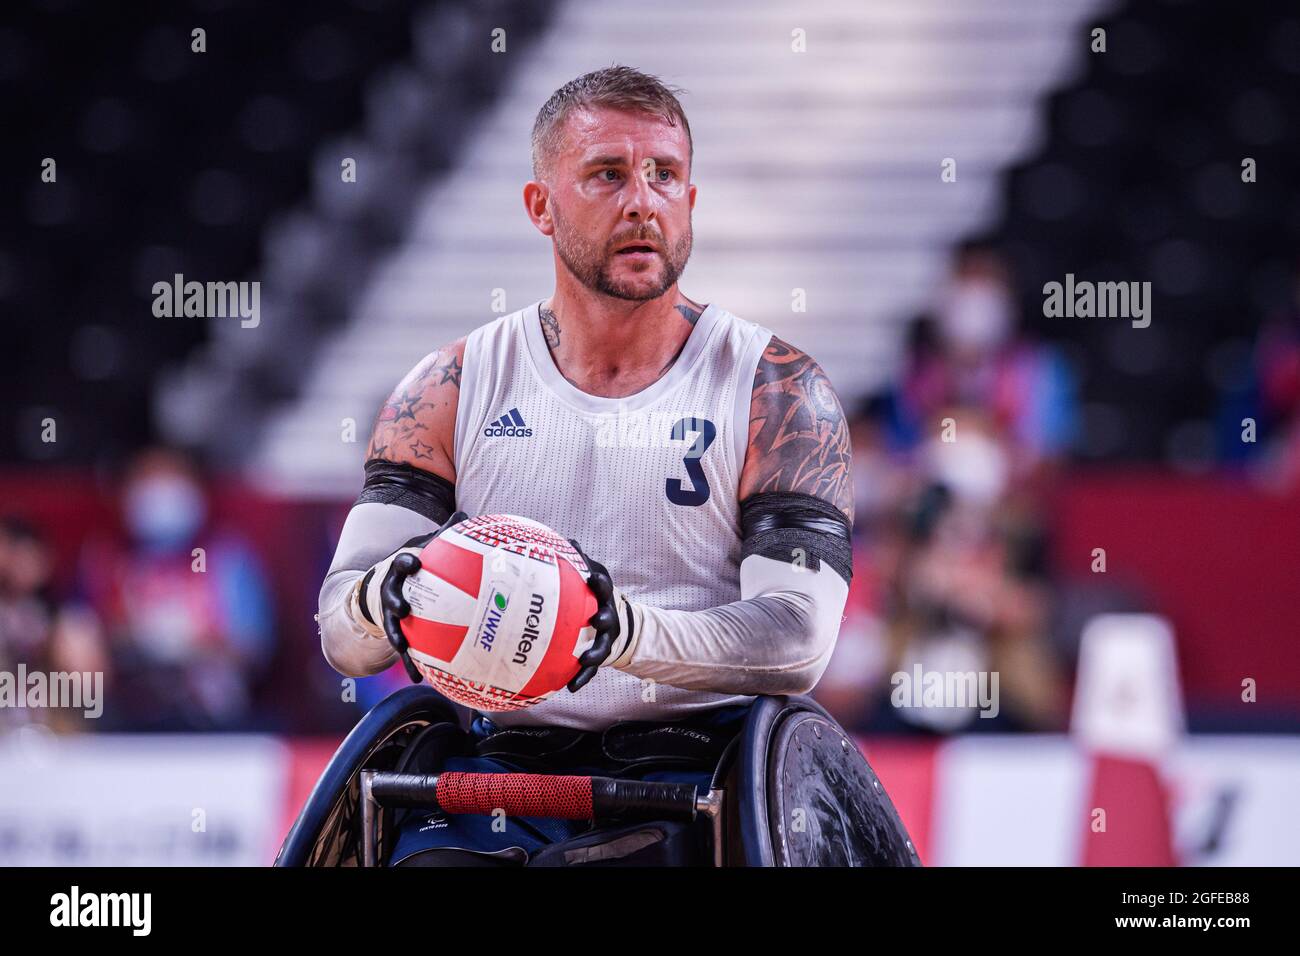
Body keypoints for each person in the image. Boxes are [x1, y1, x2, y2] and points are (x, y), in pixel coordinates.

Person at [316, 66, 855, 865]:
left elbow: (797, 643)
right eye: (608, 174)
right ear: (541, 206)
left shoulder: (776, 389)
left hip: (700, 764)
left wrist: (615, 631)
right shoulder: (447, 387)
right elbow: (342, 633)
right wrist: (381, 600)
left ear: (691, 203)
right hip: (497, 761)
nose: (643, 202)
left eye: (664, 176)